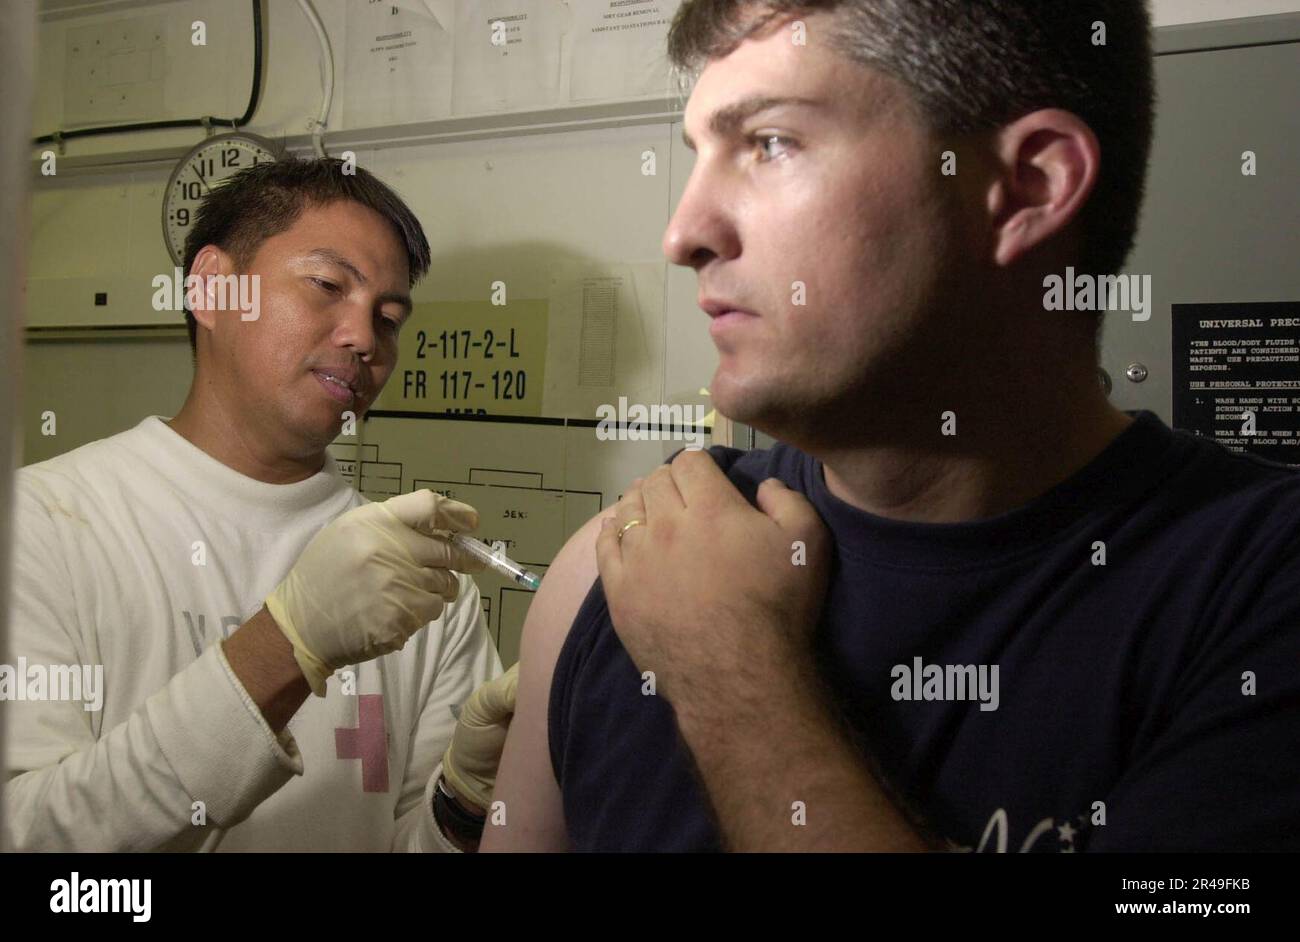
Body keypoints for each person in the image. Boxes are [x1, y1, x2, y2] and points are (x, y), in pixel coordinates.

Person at [484, 0, 1300, 852]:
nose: (684, 234)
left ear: (1030, 187)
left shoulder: (1258, 592)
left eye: (769, 143)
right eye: (700, 156)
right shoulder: (626, 562)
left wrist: (728, 668)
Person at [6, 157, 513, 852]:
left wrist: (461, 802)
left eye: (388, 319)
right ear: (212, 289)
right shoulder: (40, 525)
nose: (364, 339)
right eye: (327, 285)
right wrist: (285, 645)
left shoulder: (422, 578)